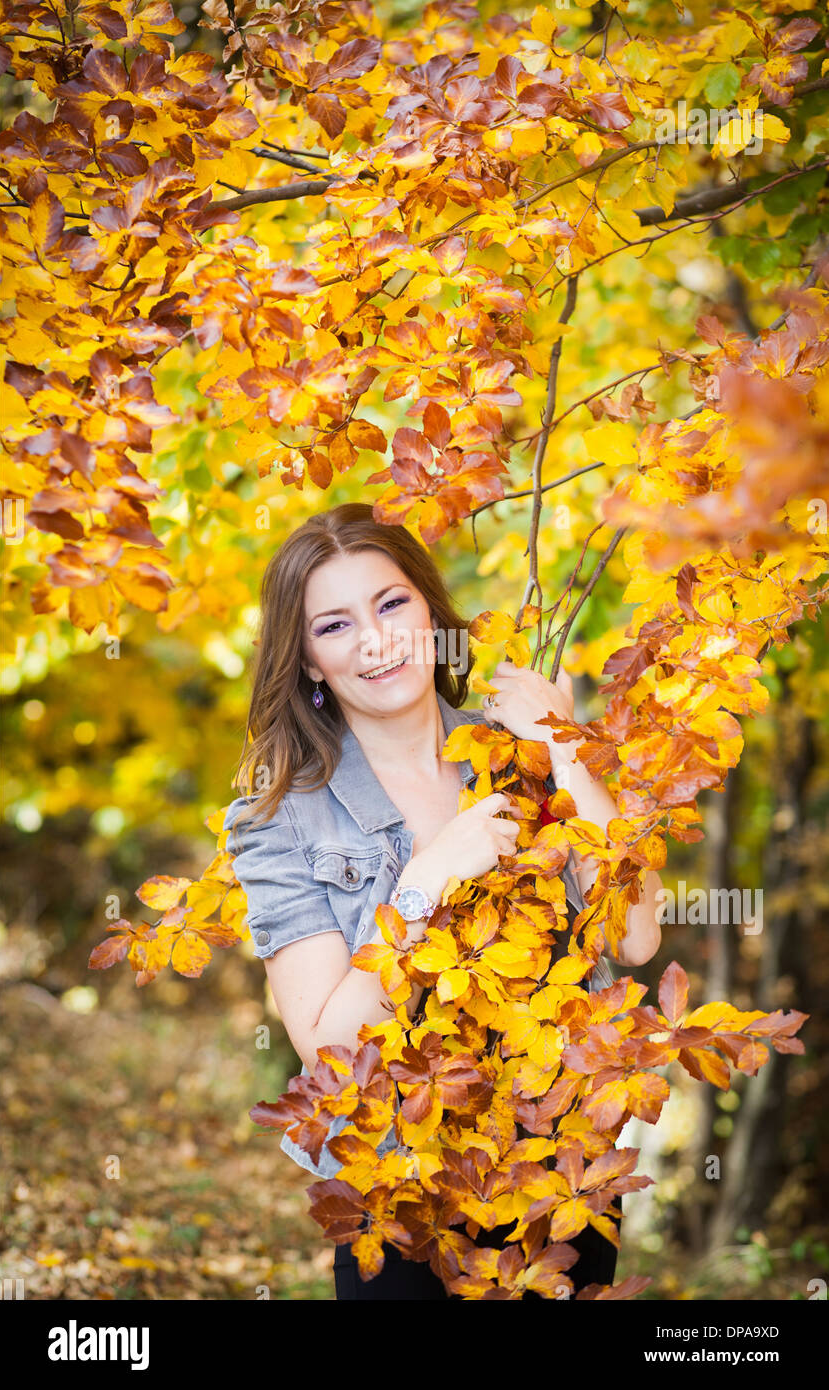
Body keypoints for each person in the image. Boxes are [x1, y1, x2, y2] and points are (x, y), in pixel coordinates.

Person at [223, 502, 663, 1300]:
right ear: (310, 661)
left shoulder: (526, 759)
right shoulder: (280, 815)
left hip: (559, 1181)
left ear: (430, 612)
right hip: (400, 1198)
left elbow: (634, 935)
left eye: (392, 604)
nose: (376, 639)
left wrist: (564, 746)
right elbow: (328, 1046)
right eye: (335, 626)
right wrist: (427, 878)